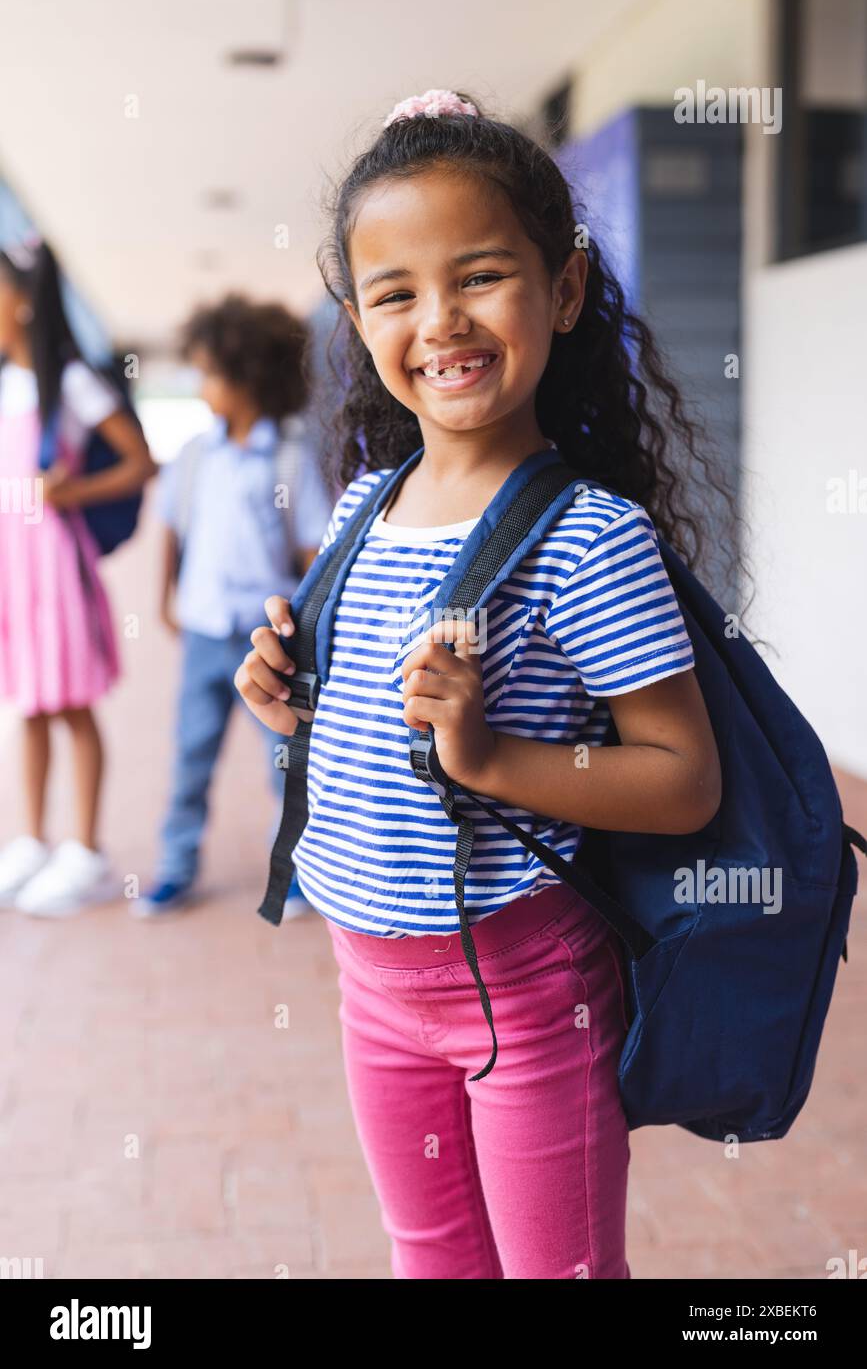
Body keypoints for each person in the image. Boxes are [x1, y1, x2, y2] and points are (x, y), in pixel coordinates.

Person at [234, 89, 734, 1279]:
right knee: (433, 1256)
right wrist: (287, 699)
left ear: (562, 290)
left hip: (526, 991)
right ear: (358, 322)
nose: (440, 319)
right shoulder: (364, 505)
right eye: (396, 293)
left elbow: (684, 782)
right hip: (370, 981)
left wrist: (492, 757)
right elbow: (357, 715)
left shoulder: (589, 535)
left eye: (480, 275)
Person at [137, 293, 333, 919]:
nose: (201, 387)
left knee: (283, 758)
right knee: (190, 753)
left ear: (248, 376)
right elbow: (170, 530)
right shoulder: (195, 456)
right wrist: (163, 601)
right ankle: (175, 866)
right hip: (202, 631)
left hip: (265, 639)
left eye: (208, 373)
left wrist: (309, 634)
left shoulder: (292, 458)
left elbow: (312, 552)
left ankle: (300, 873)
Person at [0, 234, 157, 917]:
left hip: (53, 563)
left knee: (70, 702)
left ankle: (86, 853)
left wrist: (69, 495)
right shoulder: (8, 381)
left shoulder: (65, 379)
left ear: (24, 301)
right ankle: (34, 841)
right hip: (12, 562)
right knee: (30, 704)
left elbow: (139, 461)